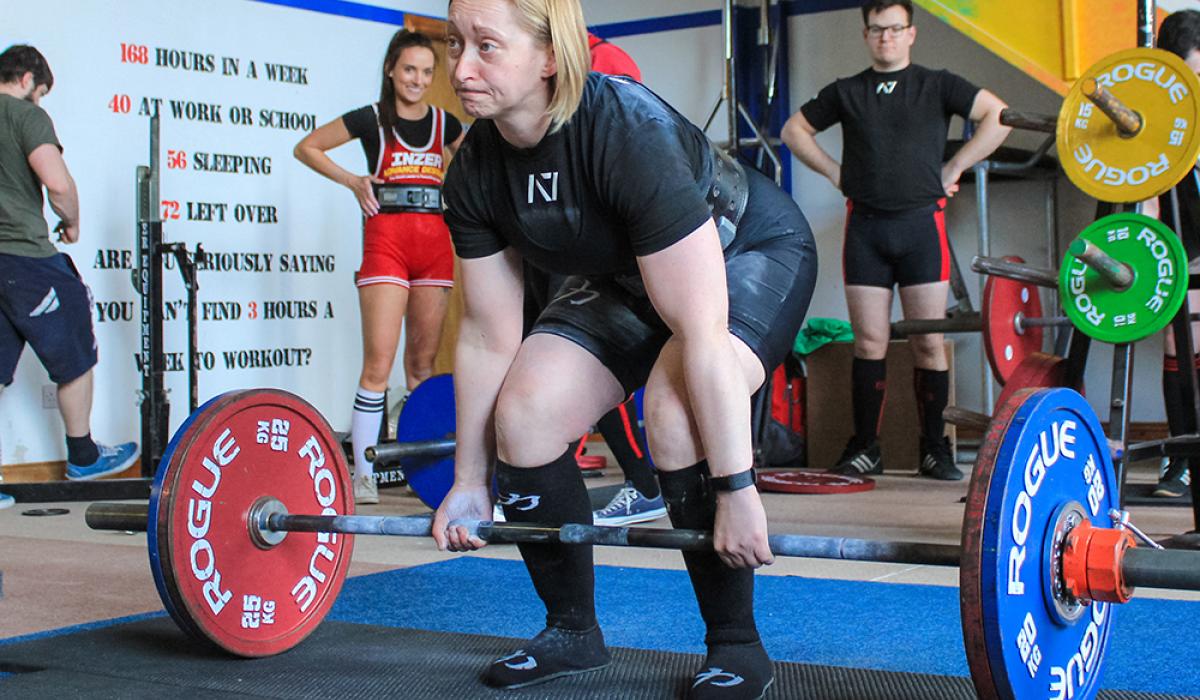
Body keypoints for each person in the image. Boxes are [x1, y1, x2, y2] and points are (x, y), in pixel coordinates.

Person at [431, 1, 817, 697]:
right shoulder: (474, 172)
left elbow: (699, 330)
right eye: (455, 43)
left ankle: (737, 644)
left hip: (747, 253)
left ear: (549, 57)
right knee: (524, 413)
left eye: (486, 46)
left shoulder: (624, 132)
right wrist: (467, 481)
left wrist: (737, 488)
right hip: (628, 277)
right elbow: (488, 334)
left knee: (673, 411)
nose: (460, 67)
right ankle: (571, 632)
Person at [781, 0, 1010, 481]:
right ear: (866, 35)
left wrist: (956, 166)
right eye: (876, 29)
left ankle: (935, 450)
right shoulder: (848, 91)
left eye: (894, 28)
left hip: (921, 228)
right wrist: (834, 173)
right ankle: (865, 447)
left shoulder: (938, 84)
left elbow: (998, 115)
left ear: (911, 32)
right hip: (866, 230)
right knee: (870, 343)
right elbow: (793, 130)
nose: (885, 37)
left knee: (928, 342)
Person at [295, 29, 464, 505]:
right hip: (385, 246)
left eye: (427, 72)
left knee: (423, 368)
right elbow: (307, 147)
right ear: (391, 70)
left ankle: (428, 470)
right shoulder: (371, 119)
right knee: (378, 364)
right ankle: (364, 474)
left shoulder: (445, 124)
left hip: (434, 248)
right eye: (409, 69)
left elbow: (476, 168)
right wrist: (353, 181)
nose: (418, 79)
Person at [0, 45, 139, 490]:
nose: (39, 102)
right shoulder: (24, 115)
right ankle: (84, 456)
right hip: (23, 255)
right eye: (39, 93)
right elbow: (57, 183)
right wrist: (72, 221)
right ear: (26, 80)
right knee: (75, 350)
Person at [1146, 9, 1200, 498]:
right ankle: (1184, 458)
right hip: (1183, 230)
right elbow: (1141, 186)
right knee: (1180, 341)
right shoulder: (1155, 110)